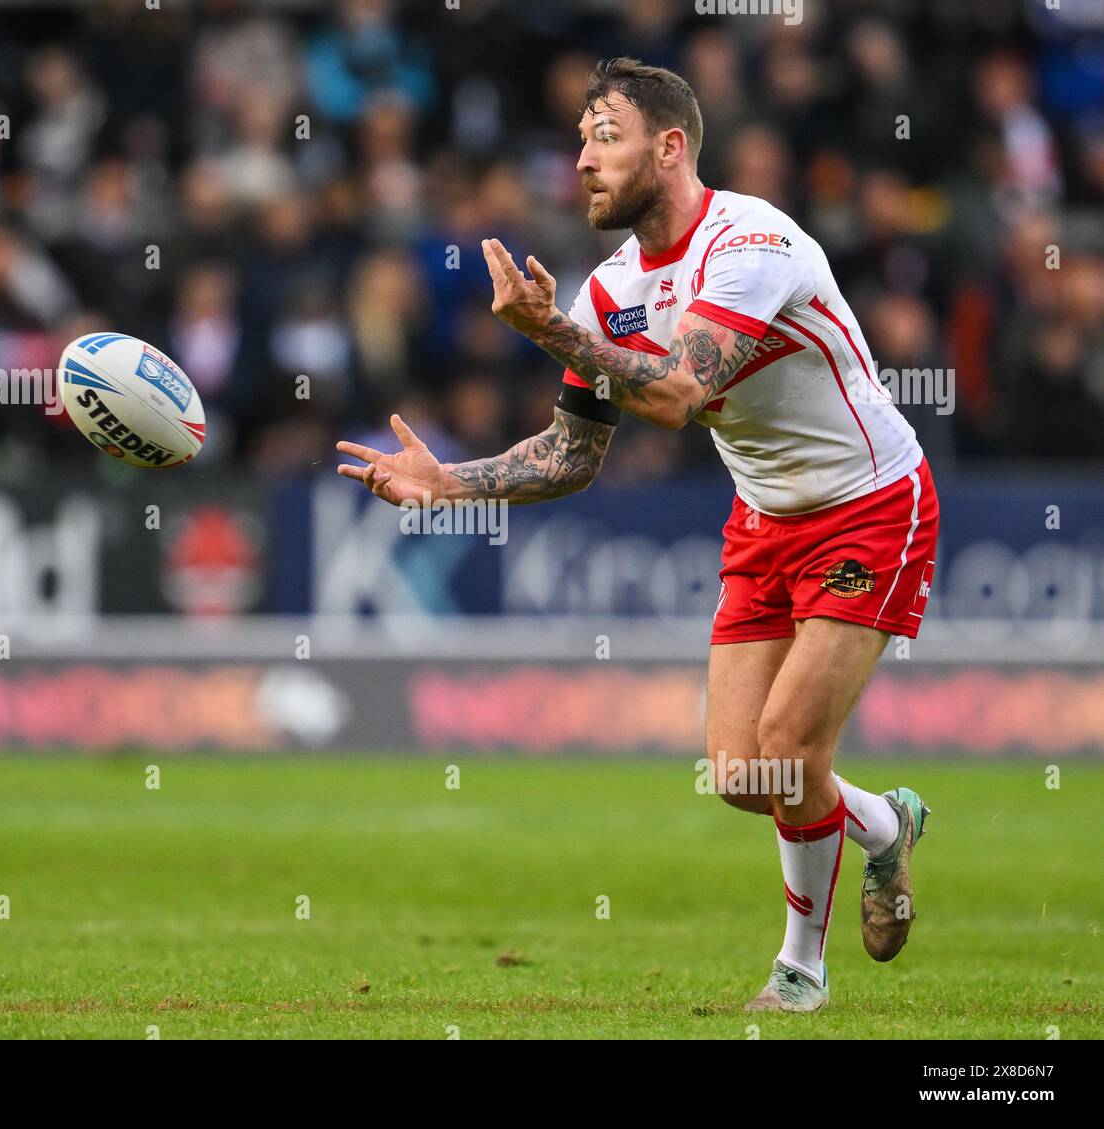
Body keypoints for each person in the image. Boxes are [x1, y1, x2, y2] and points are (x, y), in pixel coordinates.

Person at [336, 57, 938, 1012]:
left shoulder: (752, 242)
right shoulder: (610, 288)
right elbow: (575, 454)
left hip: (869, 503)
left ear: (670, 147)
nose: (581, 159)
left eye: (602, 135)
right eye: (578, 138)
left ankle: (801, 971)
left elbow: (679, 391)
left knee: (787, 744)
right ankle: (883, 827)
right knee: (747, 773)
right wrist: (451, 482)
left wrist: (552, 337)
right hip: (764, 518)